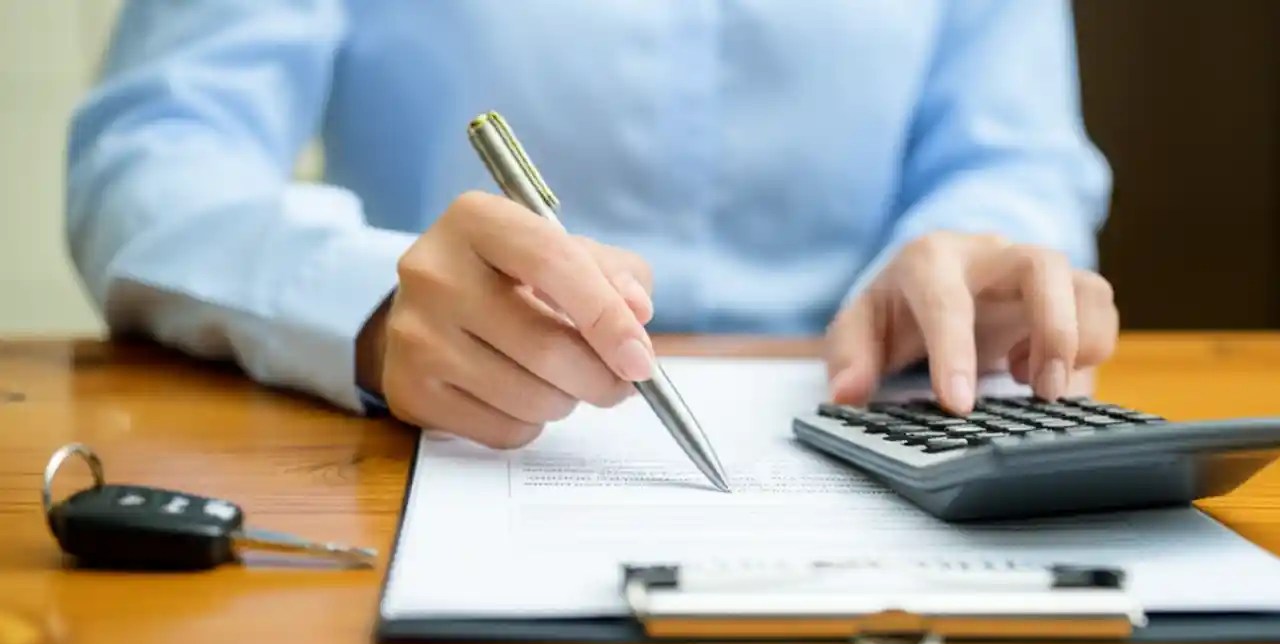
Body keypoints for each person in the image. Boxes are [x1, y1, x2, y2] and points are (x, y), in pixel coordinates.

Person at [66, 1, 1117, 449]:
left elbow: (1012, 154)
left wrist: (969, 254)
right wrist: (365, 301)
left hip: (873, 414)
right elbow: (152, 153)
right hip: (419, 442)